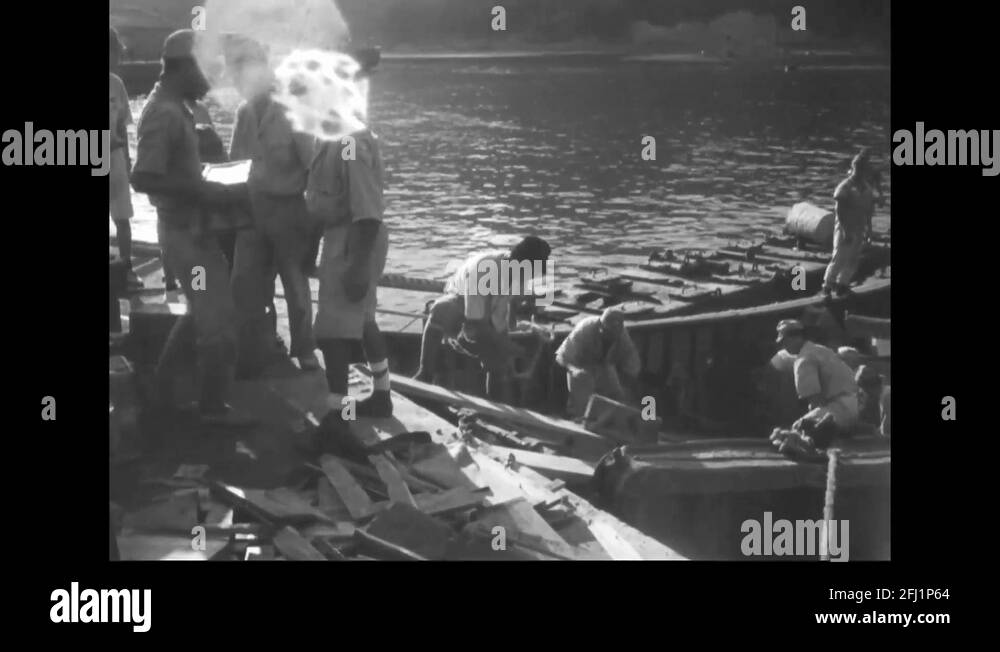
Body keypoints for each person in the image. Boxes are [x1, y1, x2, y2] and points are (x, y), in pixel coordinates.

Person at [130, 29, 253, 427]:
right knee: (217, 325)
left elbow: (171, 170)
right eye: (206, 71)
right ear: (185, 68)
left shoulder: (176, 105)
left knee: (199, 314)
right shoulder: (164, 112)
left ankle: (161, 398)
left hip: (193, 232)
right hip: (187, 239)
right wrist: (206, 190)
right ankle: (211, 410)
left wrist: (205, 179)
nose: (210, 80)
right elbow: (143, 177)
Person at [303, 54, 395, 450]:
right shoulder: (333, 136)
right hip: (344, 237)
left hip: (353, 239)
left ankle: (339, 416)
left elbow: (367, 210)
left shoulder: (349, 142)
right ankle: (382, 392)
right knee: (365, 320)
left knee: (333, 333)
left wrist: (356, 265)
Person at [225, 35, 320, 376]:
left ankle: (306, 351)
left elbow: (314, 167)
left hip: (289, 209)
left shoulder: (294, 108)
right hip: (251, 209)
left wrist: (315, 226)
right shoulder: (244, 111)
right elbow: (234, 165)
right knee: (244, 283)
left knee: (295, 284)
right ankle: (260, 344)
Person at [413, 236, 552, 402]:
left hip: (492, 304)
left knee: (499, 362)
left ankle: (496, 407)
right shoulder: (485, 271)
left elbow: (508, 306)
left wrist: (508, 336)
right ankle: (425, 372)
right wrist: (507, 346)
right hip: (461, 296)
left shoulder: (521, 273)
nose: (531, 277)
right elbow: (477, 323)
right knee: (444, 310)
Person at [775, 319, 859, 445]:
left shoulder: (804, 359)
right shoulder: (821, 349)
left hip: (838, 410)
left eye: (785, 341)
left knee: (798, 427)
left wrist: (810, 421)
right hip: (853, 407)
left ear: (793, 338)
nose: (784, 346)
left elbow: (815, 401)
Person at [555, 307, 641, 419]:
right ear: (601, 327)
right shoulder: (584, 328)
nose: (611, 336)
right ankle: (577, 416)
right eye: (608, 332)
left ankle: (608, 420)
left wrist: (627, 381)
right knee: (582, 404)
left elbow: (632, 360)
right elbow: (561, 356)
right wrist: (574, 370)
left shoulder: (621, 333)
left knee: (619, 398)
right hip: (580, 367)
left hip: (605, 366)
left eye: (614, 334)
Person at [109, 27, 142, 291]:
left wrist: (128, 160)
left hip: (116, 156)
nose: (118, 59)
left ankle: (127, 268)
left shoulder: (116, 84)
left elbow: (121, 125)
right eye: (115, 52)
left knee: (123, 217)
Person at [822, 149, 878, 298]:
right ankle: (827, 285)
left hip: (859, 228)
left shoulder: (867, 189)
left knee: (853, 259)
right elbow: (839, 209)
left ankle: (842, 285)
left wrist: (869, 230)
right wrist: (845, 230)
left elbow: (869, 211)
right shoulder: (845, 186)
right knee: (839, 257)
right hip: (845, 227)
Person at [855, 364, 891, 437]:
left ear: (867, 388)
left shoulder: (887, 397)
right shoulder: (883, 396)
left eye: (863, 389)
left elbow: (886, 430)